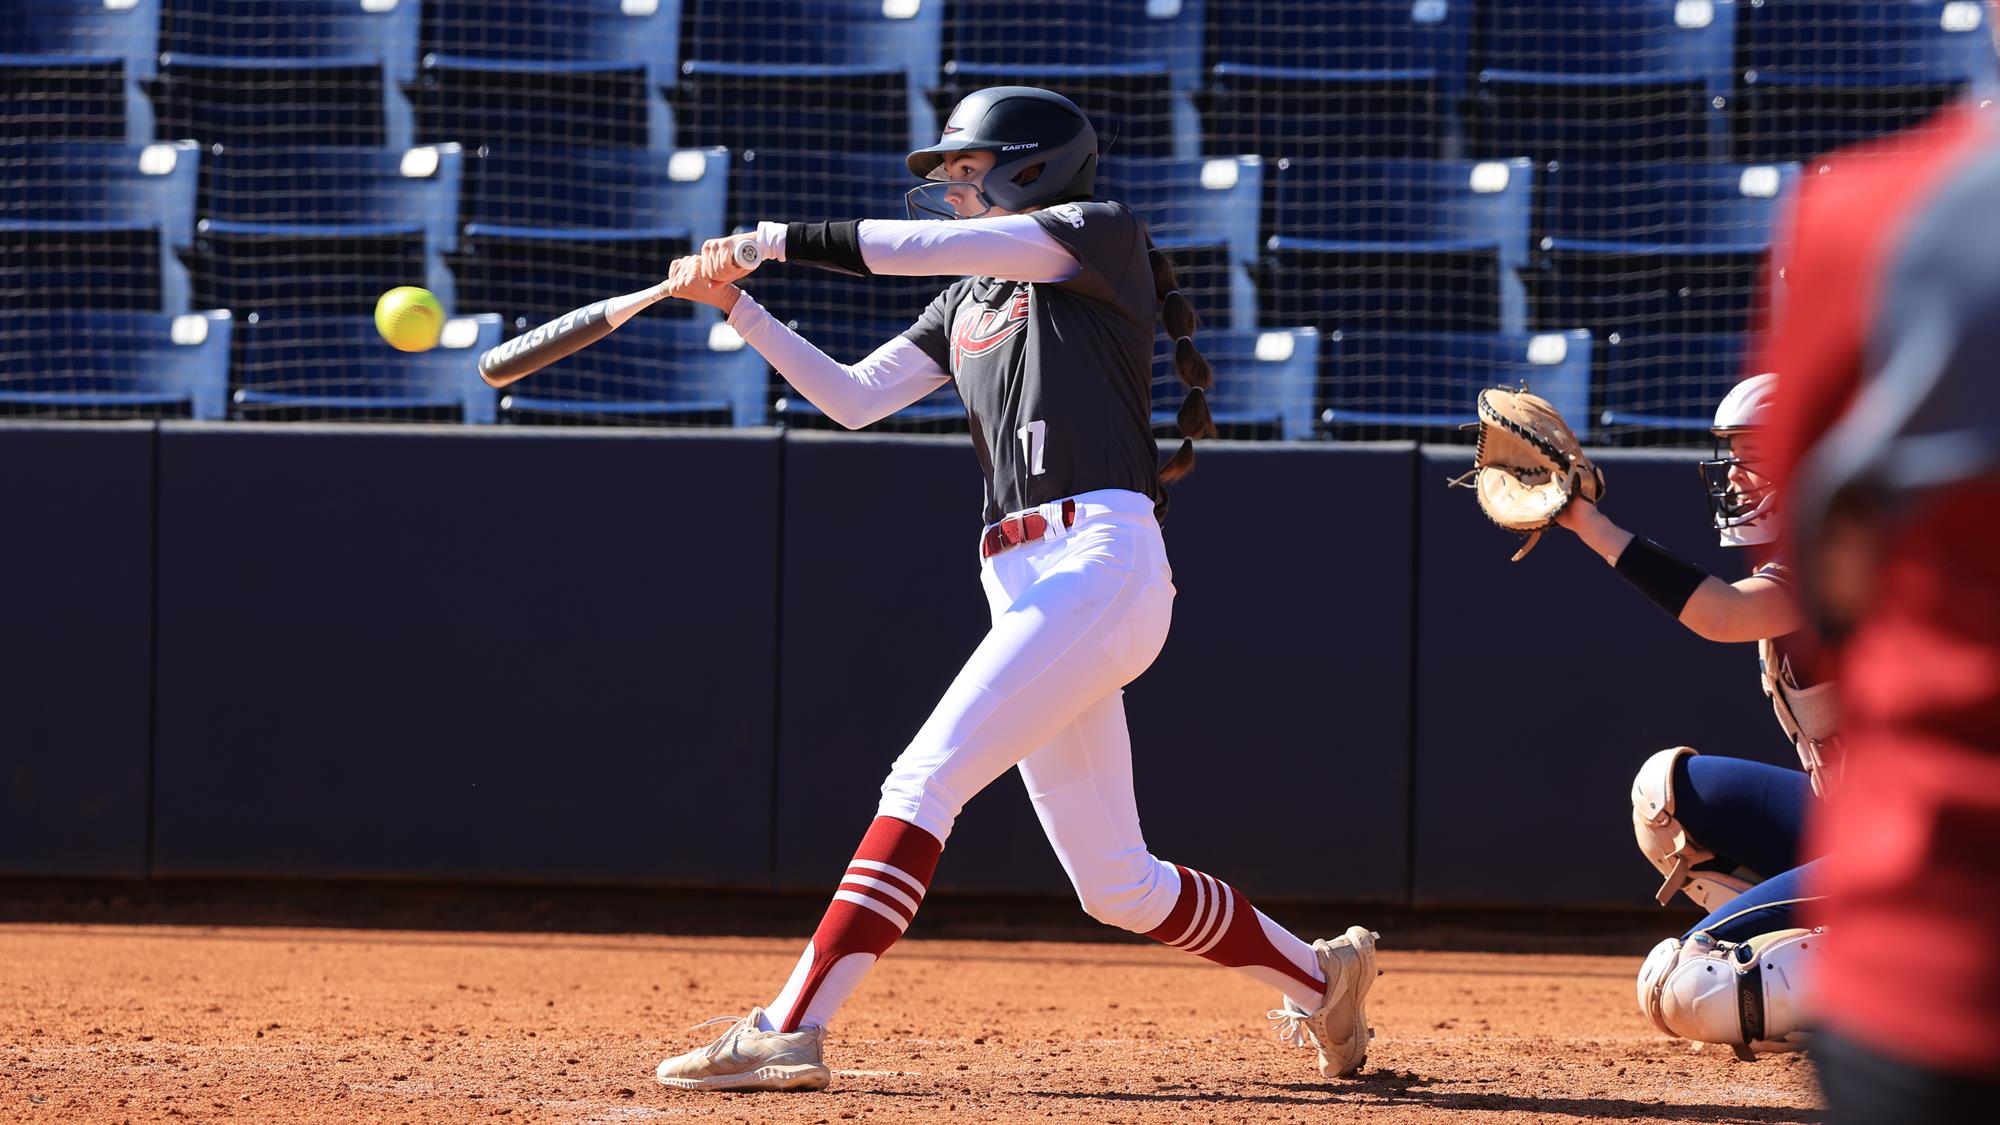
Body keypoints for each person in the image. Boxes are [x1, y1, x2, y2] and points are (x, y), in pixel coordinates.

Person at [645, 86, 1380, 1093]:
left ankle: (788, 1026)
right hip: (1023, 577)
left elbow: (906, 252)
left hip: (1096, 562)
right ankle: (1321, 978)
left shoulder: (1093, 233)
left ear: (1029, 168)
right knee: (1116, 884)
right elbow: (853, 401)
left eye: (964, 167)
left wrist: (766, 239)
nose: (948, 185)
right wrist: (738, 305)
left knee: (920, 781)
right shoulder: (968, 297)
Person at [1758, 77, 2000, 1122]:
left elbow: (1819, 579)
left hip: (1930, 937)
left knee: (1694, 980)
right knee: (1662, 792)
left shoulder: (1864, 210)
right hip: (1912, 912)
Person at [1551, 374, 1831, 1057]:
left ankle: (1881, 982)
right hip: (1853, 819)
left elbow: (1721, 613)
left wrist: (1587, 521)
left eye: (1752, 452)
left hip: (1925, 852)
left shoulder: (1852, 553)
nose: (1735, 472)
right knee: (1664, 794)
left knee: (1684, 986)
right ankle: (1808, 958)